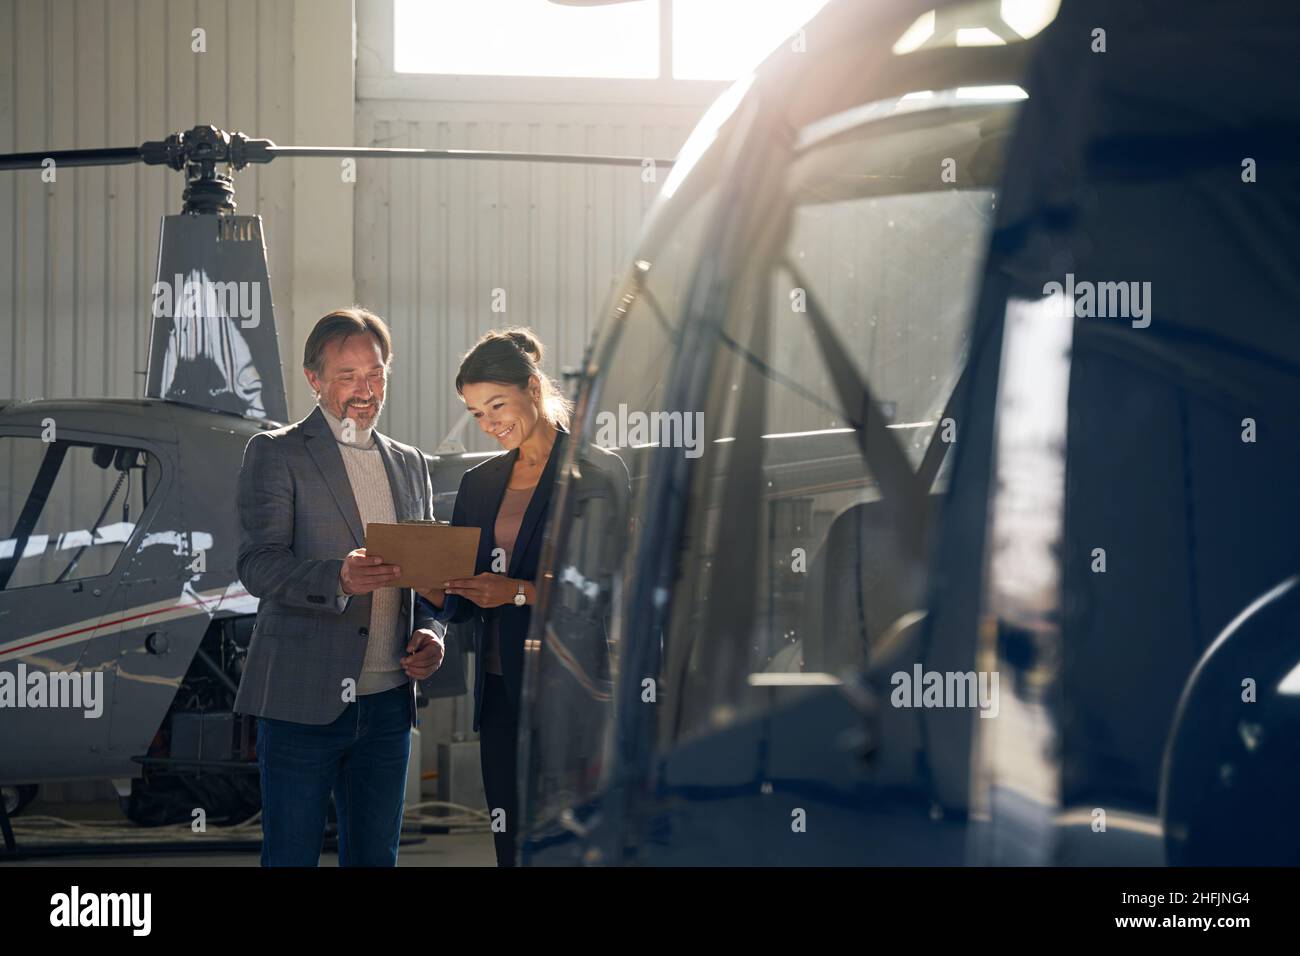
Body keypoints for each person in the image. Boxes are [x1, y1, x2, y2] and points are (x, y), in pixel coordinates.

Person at [234, 307, 446, 867]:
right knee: (291, 856)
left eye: (375, 373)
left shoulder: (409, 463)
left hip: (388, 706)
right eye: (347, 375)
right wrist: (337, 577)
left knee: (375, 858)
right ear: (314, 379)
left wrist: (431, 630)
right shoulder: (276, 452)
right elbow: (257, 564)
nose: (364, 389)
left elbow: (423, 578)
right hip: (302, 700)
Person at [416, 327, 573, 867]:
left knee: (570, 839)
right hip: (500, 687)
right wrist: (432, 587)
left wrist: (521, 593)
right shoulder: (479, 484)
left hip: (569, 687)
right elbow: (462, 602)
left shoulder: (594, 471)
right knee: (511, 844)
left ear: (533, 387)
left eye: (497, 404)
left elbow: (606, 584)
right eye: (477, 413)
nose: (490, 423)